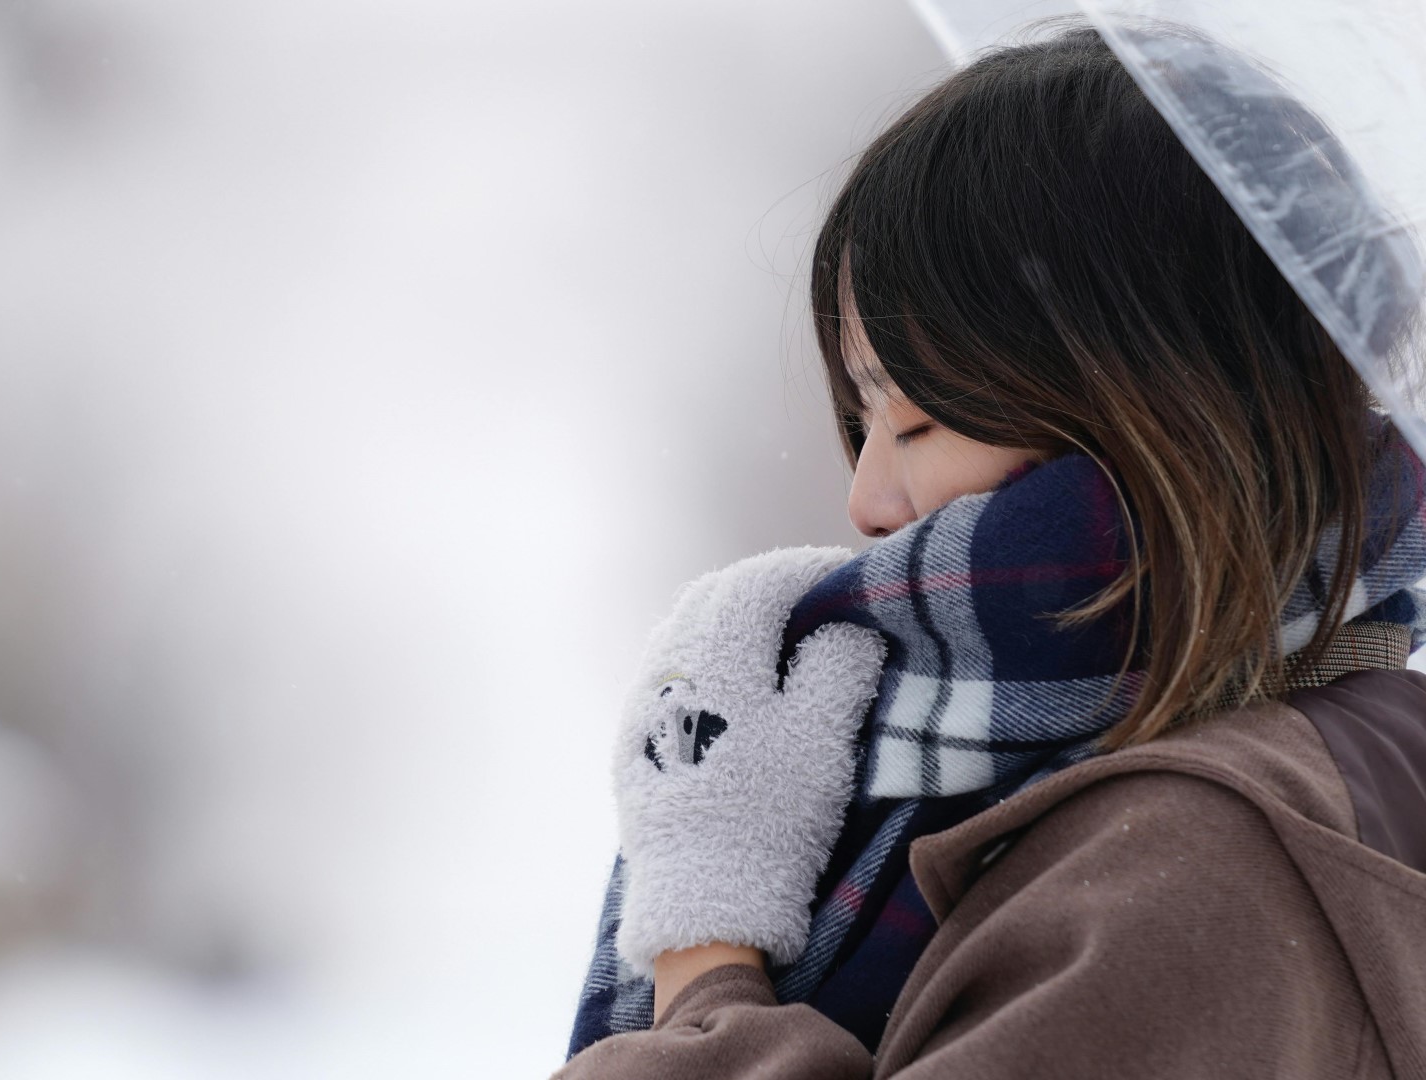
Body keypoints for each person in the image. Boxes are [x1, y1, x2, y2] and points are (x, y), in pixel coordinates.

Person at [557, 23, 1426, 1079]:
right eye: (860, 419)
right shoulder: (1312, 763)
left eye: (916, 421)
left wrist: (704, 967)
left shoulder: (1193, 859)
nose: (868, 499)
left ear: (1143, 404)